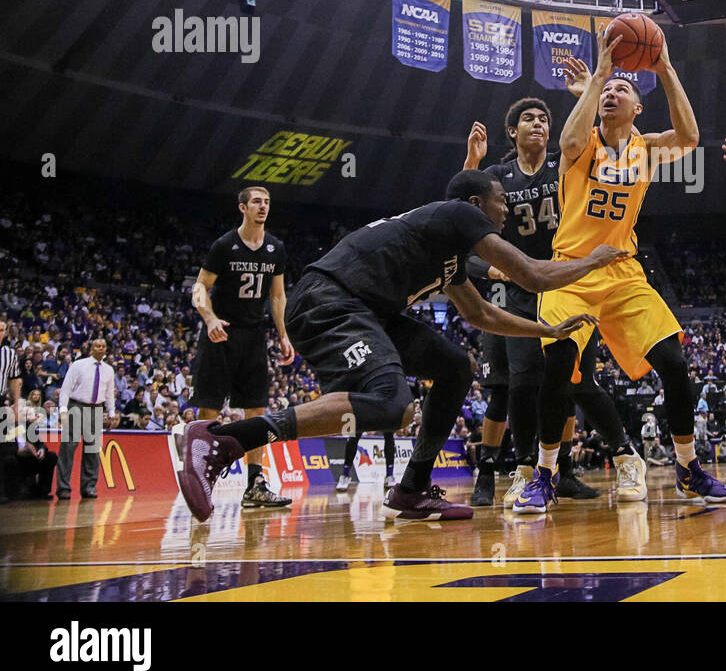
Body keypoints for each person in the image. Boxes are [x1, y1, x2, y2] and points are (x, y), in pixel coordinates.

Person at [174, 170, 625, 523]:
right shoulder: (456, 214)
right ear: (475, 205)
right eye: (500, 201)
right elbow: (534, 275)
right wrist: (593, 260)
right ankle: (222, 440)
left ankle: (411, 489)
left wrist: (547, 330)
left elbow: (481, 314)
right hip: (332, 298)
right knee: (393, 403)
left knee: (454, 365)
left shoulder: (448, 252)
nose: (505, 210)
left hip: (369, 310)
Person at [516, 33, 726, 514]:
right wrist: (599, 76)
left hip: (622, 274)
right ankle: (545, 475)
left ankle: (687, 468)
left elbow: (691, 138)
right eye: (607, 91)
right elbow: (570, 139)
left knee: (676, 367)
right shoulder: (583, 142)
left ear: (639, 108)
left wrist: (665, 70)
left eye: (623, 89)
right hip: (569, 272)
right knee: (557, 372)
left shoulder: (646, 148)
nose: (613, 93)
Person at [462, 88, 645, 507]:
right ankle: (523, 470)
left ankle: (582, 464)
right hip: (517, 289)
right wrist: (473, 159)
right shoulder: (497, 178)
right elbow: (461, 214)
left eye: (544, 119)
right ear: (513, 131)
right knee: (520, 385)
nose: (539, 124)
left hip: (567, 282)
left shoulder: (567, 165)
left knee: (574, 381)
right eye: (529, 119)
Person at [190, 186, 295, 510]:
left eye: (266, 202)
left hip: (253, 336)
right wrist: (209, 319)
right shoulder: (225, 245)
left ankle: (255, 485)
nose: (263, 207)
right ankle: (200, 476)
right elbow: (200, 286)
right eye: (256, 202)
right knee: (210, 409)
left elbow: (277, 296)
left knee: (257, 410)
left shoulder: (276, 248)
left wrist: (283, 333)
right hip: (222, 332)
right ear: (243, 207)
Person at [55, 338, 117, 500]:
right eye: (97, 345)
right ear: (91, 349)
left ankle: (89, 487)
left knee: (93, 451)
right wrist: (62, 411)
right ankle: (63, 488)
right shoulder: (78, 365)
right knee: (68, 449)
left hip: (96, 409)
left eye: (103, 346)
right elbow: (65, 390)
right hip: (76, 406)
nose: (101, 348)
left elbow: (109, 394)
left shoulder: (109, 370)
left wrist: (111, 414)